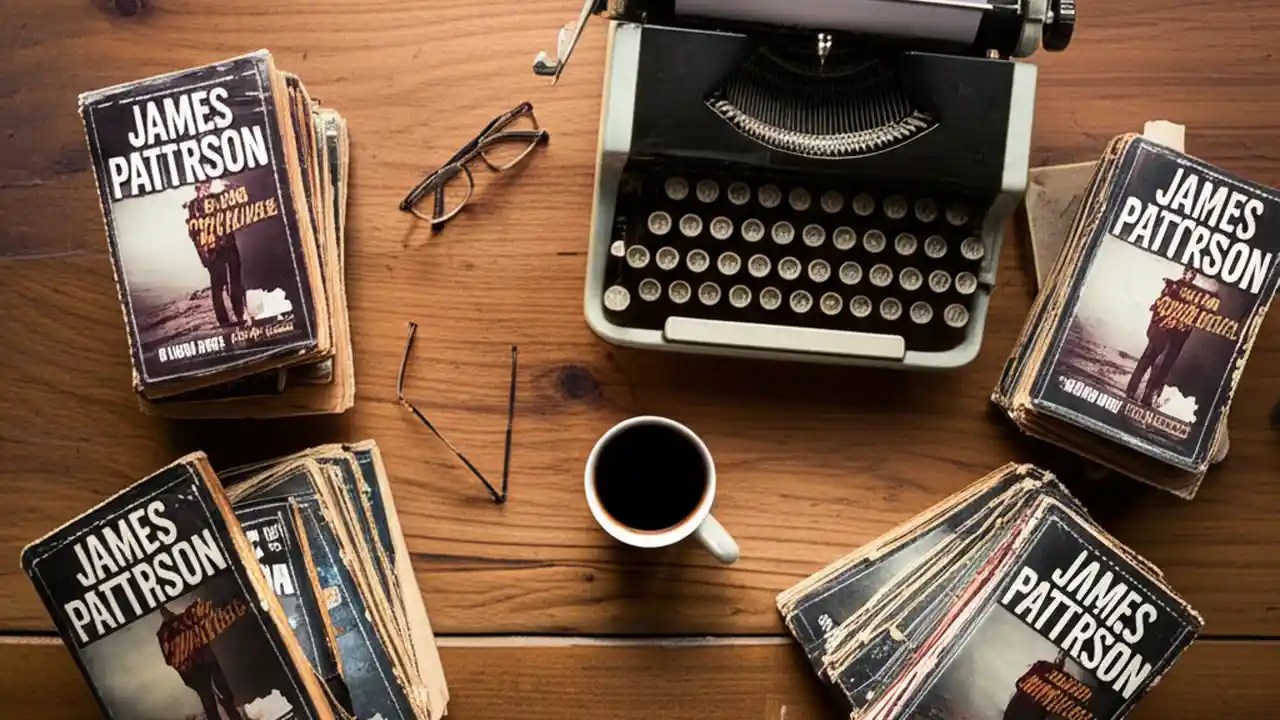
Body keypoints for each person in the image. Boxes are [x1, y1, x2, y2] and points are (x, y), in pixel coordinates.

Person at [1125, 266, 1207, 406]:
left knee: (1161, 369)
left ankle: (1148, 398)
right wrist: (1153, 330)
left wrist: (1184, 332)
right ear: (1185, 273)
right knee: (1146, 362)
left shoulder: (1195, 294)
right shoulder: (1172, 287)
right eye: (1190, 272)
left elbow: (1193, 318)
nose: (1192, 276)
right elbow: (1158, 307)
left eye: (1195, 274)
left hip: (1175, 339)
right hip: (1160, 334)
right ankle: (1131, 392)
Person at [156, 602, 243, 720]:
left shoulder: (183, 623)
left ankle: (234, 716)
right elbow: (173, 658)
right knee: (210, 700)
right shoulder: (166, 633)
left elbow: (211, 625)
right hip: (194, 670)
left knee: (224, 697)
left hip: (205, 663)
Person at [186, 181, 247, 328]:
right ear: (197, 188)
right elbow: (195, 234)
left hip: (229, 246)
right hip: (213, 251)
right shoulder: (193, 206)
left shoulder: (218, 199)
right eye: (202, 186)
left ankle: (240, 315)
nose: (206, 188)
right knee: (218, 286)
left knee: (235, 282)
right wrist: (204, 256)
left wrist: (230, 189)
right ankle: (224, 321)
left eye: (207, 184)